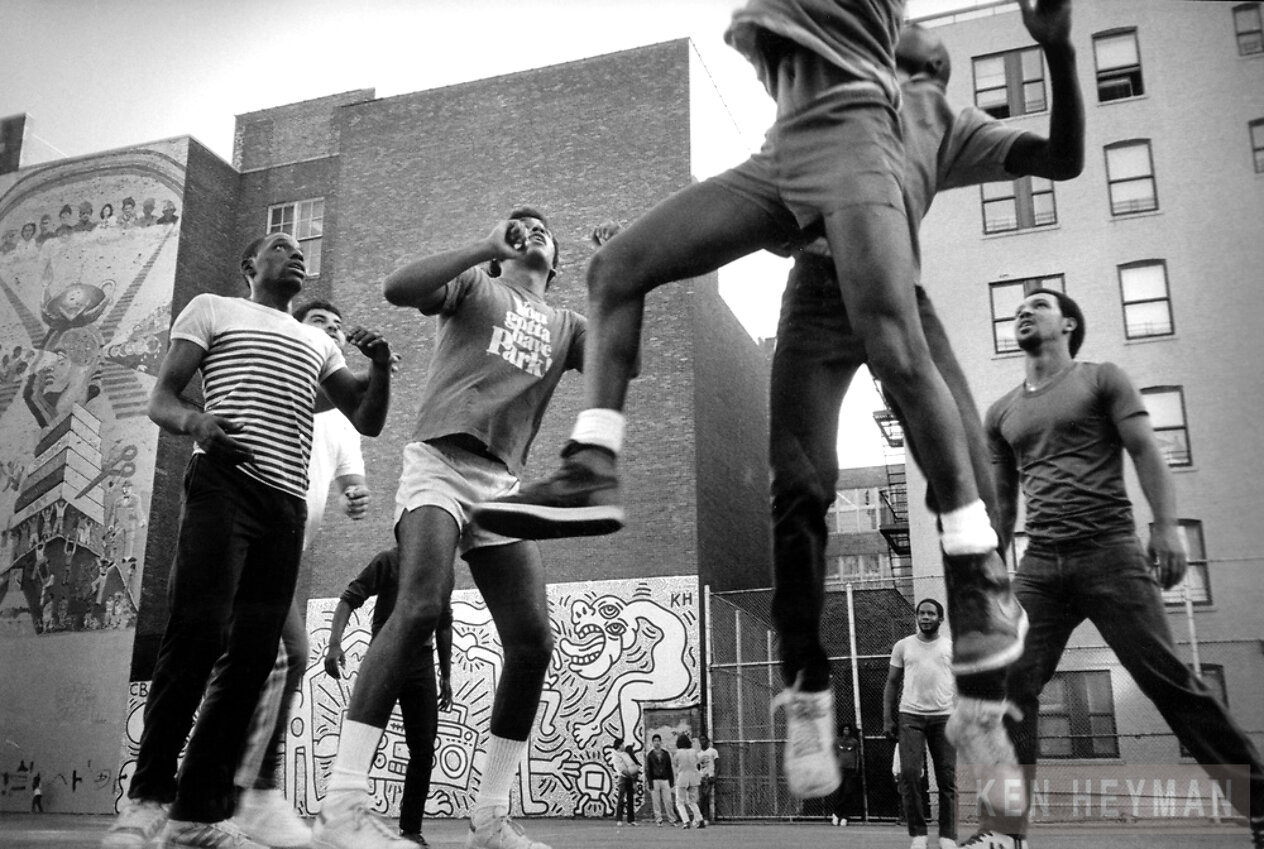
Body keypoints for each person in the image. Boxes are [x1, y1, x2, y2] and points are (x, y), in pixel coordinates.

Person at [473, 0, 1047, 800]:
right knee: (625, 282)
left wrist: (1050, 45)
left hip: (867, 212)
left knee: (937, 416)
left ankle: (981, 690)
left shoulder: (931, 116)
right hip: (798, 209)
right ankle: (594, 464)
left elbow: (1059, 155)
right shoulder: (800, 65)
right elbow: (775, 215)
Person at [102, 232, 393, 849]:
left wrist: (382, 369)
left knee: (255, 660)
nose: (295, 254)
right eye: (281, 246)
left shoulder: (317, 341)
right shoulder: (211, 308)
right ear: (249, 266)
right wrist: (197, 421)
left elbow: (365, 416)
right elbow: (161, 399)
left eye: (299, 250)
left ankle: (194, 816)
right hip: (224, 484)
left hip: (285, 507)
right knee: (197, 634)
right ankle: (146, 801)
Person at [310, 207, 584, 849]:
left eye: (546, 227)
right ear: (503, 251)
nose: (534, 228)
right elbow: (398, 288)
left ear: (557, 259)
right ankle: (343, 806)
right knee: (421, 606)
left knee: (532, 643)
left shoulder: (568, 324)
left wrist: (625, 272)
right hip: (438, 460)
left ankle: (489, 820)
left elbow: (623, 363)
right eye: (521, 225)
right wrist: (480, 246)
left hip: (501, 484)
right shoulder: (476, 286)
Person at [981, 288, 1264, 849]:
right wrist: (992, 558)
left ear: (1067, 324)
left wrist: (1166, 526)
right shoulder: (1002, 411)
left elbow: (1144, 448)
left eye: (1039, 303)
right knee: (1009, 687)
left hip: (1109, 551)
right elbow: (1003, 497)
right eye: (1020, 305)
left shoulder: (1101, 378)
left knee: (1169, 682)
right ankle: (1006, 831)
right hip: (1039, 565)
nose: (1024, 309)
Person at [230, 301, 374, 848]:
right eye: (321, 325)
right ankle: (250, 794)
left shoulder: (340, 418)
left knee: (264, 662)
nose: (332, 333)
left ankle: (226, 798)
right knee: (286, 653)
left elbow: (351, 475)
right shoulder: (275, 380)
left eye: (338, 329)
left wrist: (355, 494)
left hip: (284, 556)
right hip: (240, 539)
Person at [323, 547, 453, 847]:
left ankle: (410, 830)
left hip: (422, 662)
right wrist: (334, 644)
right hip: (385, 654)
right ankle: (345, 821)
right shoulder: (389, 560)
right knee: (364, 744)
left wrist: (446, 675)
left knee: (423, 748)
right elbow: (348, 598)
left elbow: (444, 623)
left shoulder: (442, 569)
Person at [884, 599, 957, 849]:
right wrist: (887, 718)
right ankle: (918, 834)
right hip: (910, 716)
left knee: (946, 778)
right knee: (910, 774)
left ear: (940, 619)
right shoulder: (903, 646)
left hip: (944, 717)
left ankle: (947, 835)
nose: (925, 617)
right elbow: (892, 683)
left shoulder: (950, 647)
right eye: (921, 613)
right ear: (916, 617)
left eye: (931, 613)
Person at [672, 733, 705, 829]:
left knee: (680, 802)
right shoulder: (693, 752)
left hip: (682, 778)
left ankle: (686, 821)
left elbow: (675, 765)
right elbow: (697, 763)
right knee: (692, 802)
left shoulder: (677, 753)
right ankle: (700, 819)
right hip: (694, 778)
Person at [644, 733, 676, 827]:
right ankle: (659, 819)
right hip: (654, 779)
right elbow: (648, 769)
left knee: (668, 801)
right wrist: (649, 782)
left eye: (658, 741)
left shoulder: (665, 754)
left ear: (661, 742)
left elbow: (669, 767)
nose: (657, 743)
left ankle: (672, 819)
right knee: (656, 802)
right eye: (655, 741)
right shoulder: (650, 755)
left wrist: (671, 780)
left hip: (665, 779)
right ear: (652, 743)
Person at [606, 737, 639, 827]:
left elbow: (632, 764)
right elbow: (622, 769)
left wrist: (634, 778)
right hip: (623, 778)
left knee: (630, 799)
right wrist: (631, 774)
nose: (624, 746)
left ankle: (631, 820)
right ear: (619, 745)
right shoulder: (615, 757)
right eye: (622, 744)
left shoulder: (625, 754)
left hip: (630, 778)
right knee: (621, 798)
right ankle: (619, 819)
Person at [832, 723, 859, 826]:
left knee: (848, 792)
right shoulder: (837, 741)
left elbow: (857, 756)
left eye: (848, 730)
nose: (846, 731)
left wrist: (856, 768)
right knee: (839, 792)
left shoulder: (854, 742)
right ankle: (836, 814)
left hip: (850, 769)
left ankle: (844, 816)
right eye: (845, 730)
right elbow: (834, 754)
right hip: (839, 769)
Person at [697, 733, 719, 824]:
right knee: (701, 797)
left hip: (709, 777)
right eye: (701, 740)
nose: (702, 742)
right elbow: (697, 767)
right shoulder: (698, 754)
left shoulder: (713, 751)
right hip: (701, 777)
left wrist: (715, 776)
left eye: (704, 740)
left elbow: (717, 764)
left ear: (707, 741)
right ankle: (701, 817)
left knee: (705, 796)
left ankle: (705, 817)